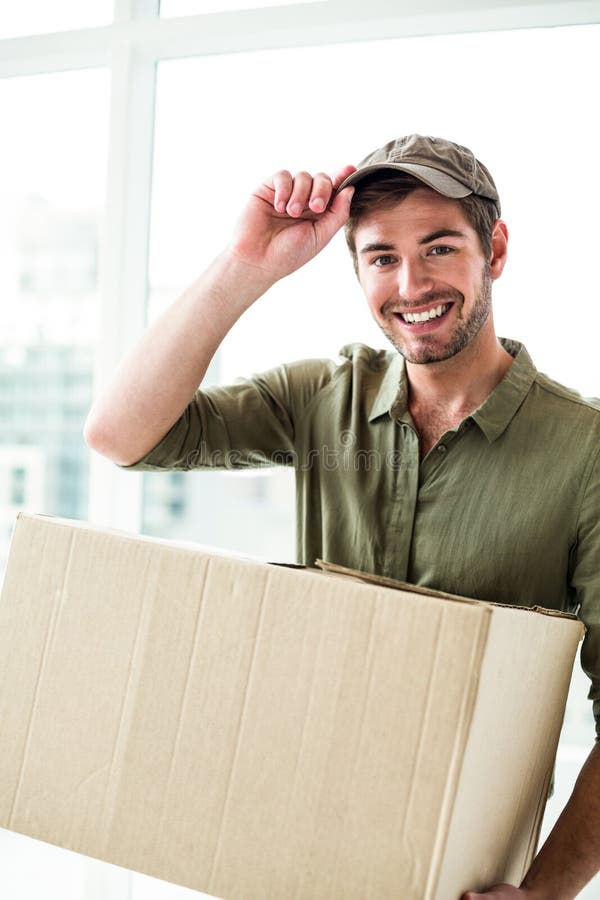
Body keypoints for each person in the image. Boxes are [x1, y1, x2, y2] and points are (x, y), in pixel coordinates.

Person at [84, 133, 600, 899]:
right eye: (381, 257)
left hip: (461, 876)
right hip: (291, 847)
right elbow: (122, 435)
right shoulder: (321, 399)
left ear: (494, 250)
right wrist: (246, 268)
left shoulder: (585, 451)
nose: (411, 283)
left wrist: (548, 893)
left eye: (439, 248)